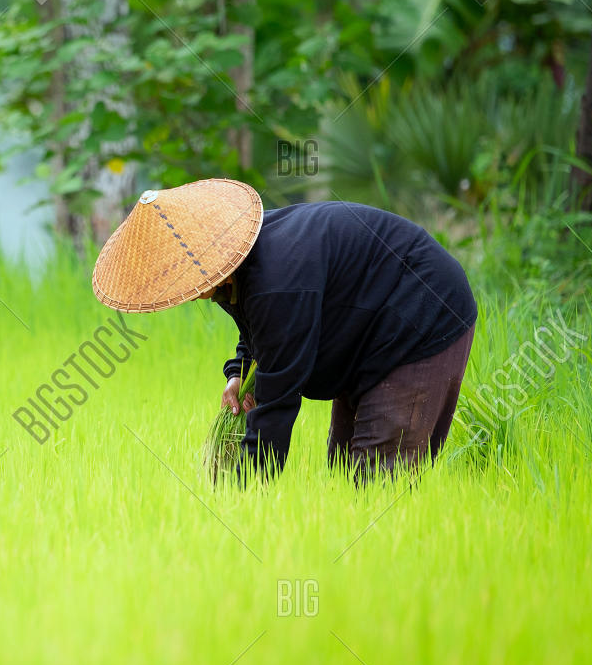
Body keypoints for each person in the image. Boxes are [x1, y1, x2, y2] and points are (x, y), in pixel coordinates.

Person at [92, 179, 477, 478]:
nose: (182, 293)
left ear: (203, 259)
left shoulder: (276, 277)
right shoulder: (236, 269)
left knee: (377, 478)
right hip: (362, 328)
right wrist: (240, 375)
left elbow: (277, 403)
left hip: (422, 313)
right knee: (345, 473)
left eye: (176, 277)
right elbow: (257, 332)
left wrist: (240, 494)